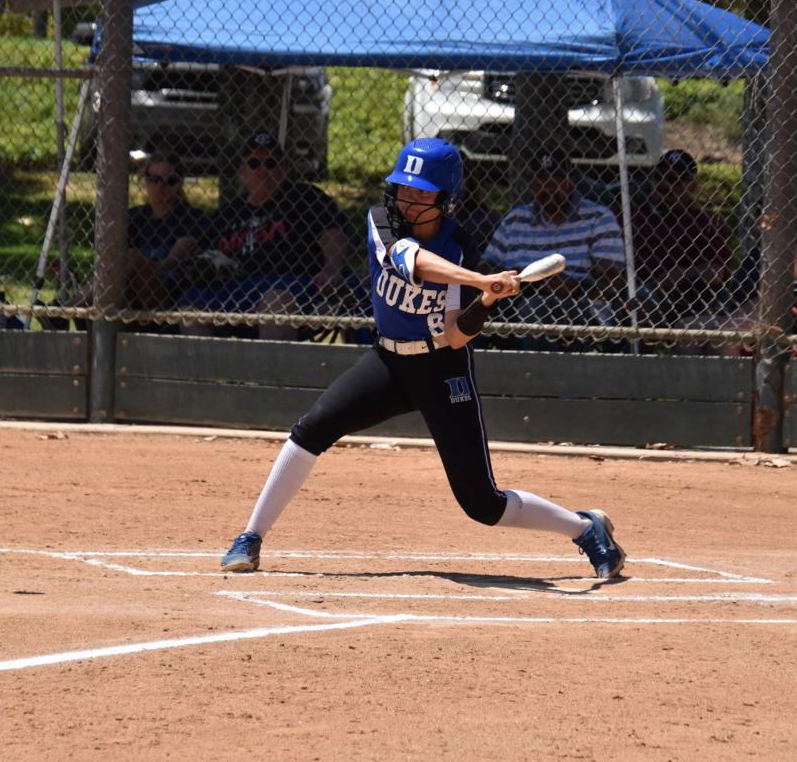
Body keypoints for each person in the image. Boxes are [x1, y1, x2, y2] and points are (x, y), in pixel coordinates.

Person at [217, 138, 627, 579]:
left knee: (481, 503)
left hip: (442, 370)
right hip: (388, 363)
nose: (407, 200)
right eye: (403, 189)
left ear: (446, 200)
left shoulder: (460, 246)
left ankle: (585, 528)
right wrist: (479, 279)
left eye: (421, 193)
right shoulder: (382, 220)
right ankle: (250, 536)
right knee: (311, 429)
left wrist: (486, 300)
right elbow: (410, 260)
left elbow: (455, 335)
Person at [179, 131, 350, 341]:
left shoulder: (304, 198)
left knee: (274, 300)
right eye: (254, 164)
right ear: (243, 171)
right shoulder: (229, 212)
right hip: (237, 287)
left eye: (271, 163)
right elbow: (203, 250)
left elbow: (332, 234)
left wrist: (332, 268)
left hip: (292, 284)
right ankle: (209, 364)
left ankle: (271, 363)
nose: (263, 170)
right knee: (191, 306)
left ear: (283, 168)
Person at [482, 149, 626, 346]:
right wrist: (510, 277)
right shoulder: (515, 220)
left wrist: (576, 288)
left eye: (556, 181)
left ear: (570, 181)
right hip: (515, 299)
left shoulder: (598, 218)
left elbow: (612, 280)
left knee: (535, 307)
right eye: (541, 182)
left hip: (580, 307)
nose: (549, 189)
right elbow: (486, 266)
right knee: (473, 308)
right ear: (532, 185)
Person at [630, 149, 733, 327]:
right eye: (658, 177)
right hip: (636, 290)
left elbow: (718, 272)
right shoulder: (634, 214)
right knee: (640, 297)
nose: (664, 185)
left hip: (681, 298)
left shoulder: (704, 222)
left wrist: (679, 274)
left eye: (674, 180)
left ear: (692, 186)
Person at [125, 152, 209, 309]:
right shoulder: (134, 216)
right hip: (130, 288)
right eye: (154, 179)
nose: (160, 187)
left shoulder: (192, 217)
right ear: (145, 179)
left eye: (169, 181)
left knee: (131, 258)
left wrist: (140, 265)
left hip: (168, 292)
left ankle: (78, 308)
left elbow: (172, 262)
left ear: (179, 184)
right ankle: (82, 310)